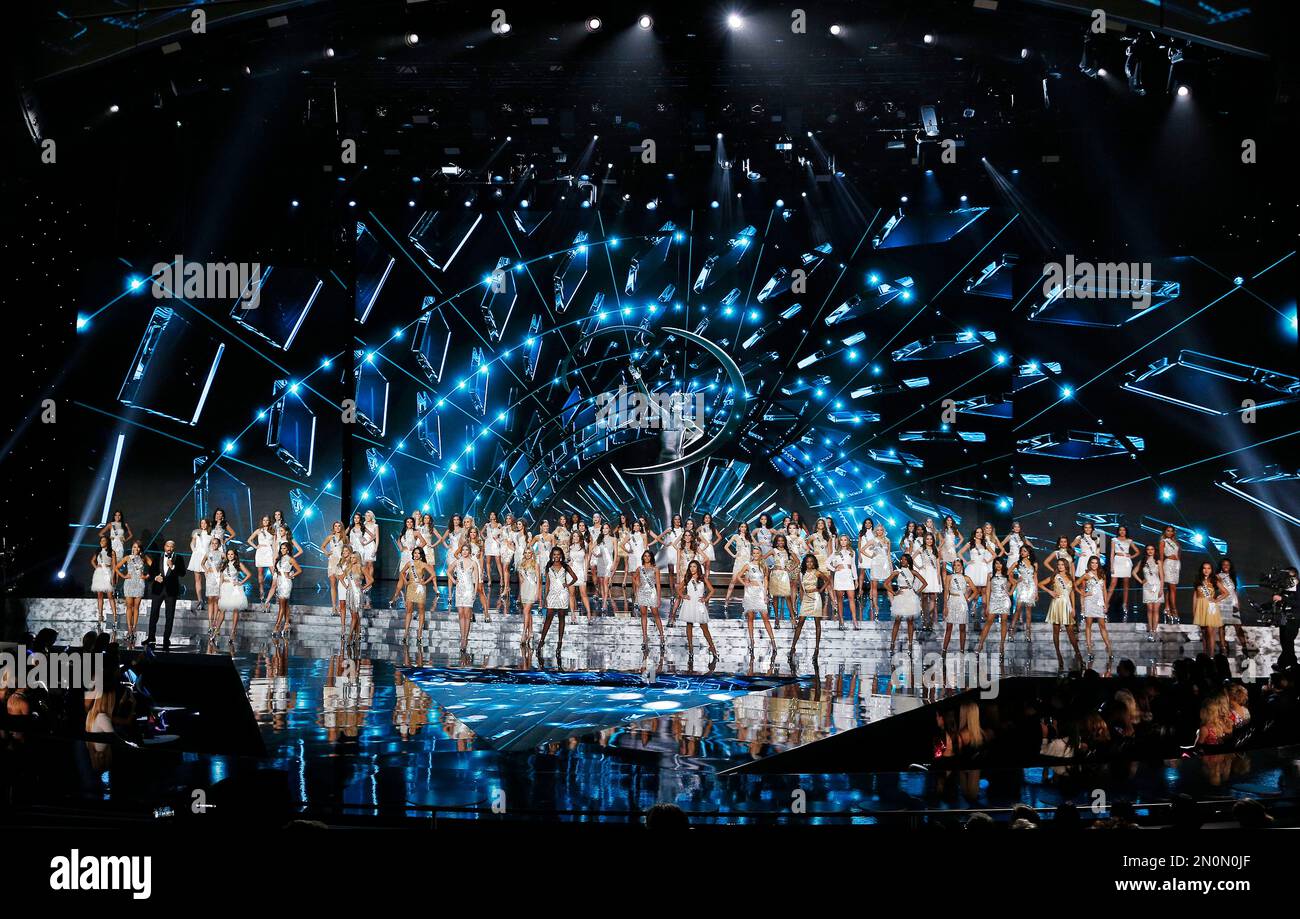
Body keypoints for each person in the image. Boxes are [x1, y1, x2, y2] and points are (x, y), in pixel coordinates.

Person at [538, 547, 579, 653]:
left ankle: (559, 643)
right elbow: (547, 583)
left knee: (561, 618)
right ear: (552, 555)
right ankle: (541, 641)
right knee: (549, 617)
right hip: (552, 594)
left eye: (558, 554)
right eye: (554, 554)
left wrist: (567, 584)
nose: (556, 556)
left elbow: (575, 578)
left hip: (562, 594)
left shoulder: (565, 566)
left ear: (561, 555)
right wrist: (545, 597)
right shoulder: (548, 566)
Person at [1042, 558, 1080, 667]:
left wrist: (1073, 607)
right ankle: (1059, 655)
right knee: (1056, 631)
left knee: (1071, 631)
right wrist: (1050, 592)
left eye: (1062, 565)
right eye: (1058, 564)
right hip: (1057, 604)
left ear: (1066, 566)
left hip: (1067, 606)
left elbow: (1072, 593)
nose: (1060, 566)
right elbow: (1040, 584)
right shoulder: (1055, 576)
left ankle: (1078, 654)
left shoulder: (1070, 578)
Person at [146, 539, 184, 648]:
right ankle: (151, 638)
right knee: (154, 614)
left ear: (174, 548)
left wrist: (172, 566)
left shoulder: (179, 558)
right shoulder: (158, 558)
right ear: (164, 547)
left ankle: (166, 639)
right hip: (158, 589)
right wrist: (155, 577)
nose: (169, 548)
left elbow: (182, 573)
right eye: (167, 546)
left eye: (171, 546)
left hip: (171, 591)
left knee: (169, 615)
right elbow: (151, 571)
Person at [677, 560, 717, 660]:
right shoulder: (687, 578)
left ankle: (712, 648)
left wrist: (705, 599)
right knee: (689, 625)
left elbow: (712, 590)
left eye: (694, 566)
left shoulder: (703, 578)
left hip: (699, 604)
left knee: (704, 627)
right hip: (689, 603)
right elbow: (678, 589)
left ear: (698, 567)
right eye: (690, 566)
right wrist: (683, 595)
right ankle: (690, 648)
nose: (692, 568)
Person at [886, 554, 926, 650]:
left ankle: (910, 644)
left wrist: (917, 592)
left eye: (904, 559)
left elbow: (925, 583)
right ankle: (892, 643)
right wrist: (894, 593)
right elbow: (885, 583)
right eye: (901, 559)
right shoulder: (897, 572)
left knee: (910, 621)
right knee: (897, 620)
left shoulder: (913, 572)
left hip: (910, 595)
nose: (902, 561)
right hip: (900, 596)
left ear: (908, 561)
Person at [114, 541, 150, 643]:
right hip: (129, 583)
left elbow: (154, 567)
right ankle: (129, 628)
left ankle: (134, 627)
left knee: (136, 607)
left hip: (139, 583)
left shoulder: (144, 558)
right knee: (129, 606)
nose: (136, 549)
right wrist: (124, 576)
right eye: (134, 547)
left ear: (140, 549)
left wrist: (147, 576)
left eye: (138, 547)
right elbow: (116, 568)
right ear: (132, 548)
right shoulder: (127, 557)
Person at [1076, 555, 1112, 656]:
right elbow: (1075, 584)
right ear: (1089, 564)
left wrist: (1105, 603)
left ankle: (1108, 647)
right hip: (1089, 602)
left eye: (1096, 563)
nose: (1094, 565)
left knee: (1102, 626)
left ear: (1098, 564)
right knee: (1089, 625)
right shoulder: (1086, 575)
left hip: (1099, 602)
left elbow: (1104, 590)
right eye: (1092, 563)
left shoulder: (1102, 574)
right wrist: (1083, 594)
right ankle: (1089, 649)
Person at [976, 557, 1012, 655]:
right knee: (989, 621)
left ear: (1003, 565)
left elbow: (1012, 585)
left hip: (1004, 600)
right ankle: (980, 644)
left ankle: (1002, 645)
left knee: (1004, 622)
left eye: (1000, 563)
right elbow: (988, 591)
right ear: (994, 565)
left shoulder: (1006, 575)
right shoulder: (990, 575)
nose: (998, 565)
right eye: (996, 563)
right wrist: (987, 605)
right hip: (993, 600)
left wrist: (1010, 592)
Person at [632, 549, 665, 651]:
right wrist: (638, 584)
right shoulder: (639, 568)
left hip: (652, 593)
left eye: (648, 556)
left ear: (651, 557)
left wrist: (659, 598)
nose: (647, 558)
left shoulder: (655, 569)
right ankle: (645, 638)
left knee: (655, 614)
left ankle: (662, 637)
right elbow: (634, 577)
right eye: (645, 556)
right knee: (643, 614)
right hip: (642, 593)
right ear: (643, 558)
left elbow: (658, 584)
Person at [1191, 562, 1225, 656]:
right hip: (1201, 607)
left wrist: (1216, 600)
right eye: (1204, 568)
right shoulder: (1198, 581)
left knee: (1210, 631)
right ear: (1202, 570)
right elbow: (1195, 597)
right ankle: (1205, 654)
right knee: (1204, 632)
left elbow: (1225, 593)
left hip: (1210, 607)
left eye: (1209, 568)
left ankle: (1211, 655)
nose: (1206, 570)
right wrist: (1194, 611)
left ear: (1211, 570)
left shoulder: (1214, 581)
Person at [942, 558, 973, 653]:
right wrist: (945, 606)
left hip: (962, 602)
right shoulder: (949, 577)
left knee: (962, 628)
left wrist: (968, 599)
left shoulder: (966, 578)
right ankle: (944, 650)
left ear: (962, 566)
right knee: (949, 627)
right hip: (951, 600)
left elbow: (975, 590)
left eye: (958, 565)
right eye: (955, 565)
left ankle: (962, 650)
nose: (956, 567)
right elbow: (946, 592)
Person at [829, 535, 859, 628]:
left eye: (845, 540)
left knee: (851, 598)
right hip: (839, 576)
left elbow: (853, 566)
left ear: (848, 541)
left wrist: (856, 579)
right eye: (841, 540)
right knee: (840, 600)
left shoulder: (852, 552)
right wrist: (834, 569)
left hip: (849, 576)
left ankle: (854, 620)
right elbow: (827, 562)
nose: (843, 542)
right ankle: (841, 620)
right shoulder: (836, 552)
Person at [1136, 543, 1164, 641]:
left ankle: (1154, 631)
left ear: (1154, 550)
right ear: (1146, 551)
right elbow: (1134, 572)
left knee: (1156, 610)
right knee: (1150, 609)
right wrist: (1141, 581)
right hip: (1147, 587)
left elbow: (1162, 577)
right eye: (1148, 549)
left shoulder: (1158, 562)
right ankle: (1151, 631)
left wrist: (1161, 589)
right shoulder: (1143, 561)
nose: (1150, 551)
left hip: (1157, 586)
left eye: (1152, 549)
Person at [89, 535, 118, 630]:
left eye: (104, 540)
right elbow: (92, 561)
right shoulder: (98, 551)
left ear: (107, 542)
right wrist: (96, 567)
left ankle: (114, 617)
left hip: (107, 572)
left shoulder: (112, 552)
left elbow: (114, 566)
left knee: (110, 596)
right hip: (99, 573)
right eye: (101, 540)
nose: (102, 542)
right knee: (99, 595)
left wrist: (113, 577)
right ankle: (100, 616)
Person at [1108, 525, 1138, 617]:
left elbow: (1137, 551)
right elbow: (1112, 553)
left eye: (1124, 530)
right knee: (1113, 583)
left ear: (1126, 531)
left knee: (1126, 584)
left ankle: (1124, 604)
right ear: (1118, 531)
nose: (1122, 531)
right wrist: (1111, 566)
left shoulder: (1129, 541)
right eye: (1120, 530)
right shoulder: (1114, 540)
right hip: (1117, 560)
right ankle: (1106, 603)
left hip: (1126, 562)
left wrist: (1131, 556)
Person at [516, 547, 541, 646]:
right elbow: (521, 580)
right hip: (524, 589)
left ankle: (524, 634)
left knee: (525, 611)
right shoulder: (520, 564)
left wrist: (538, 593)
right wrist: (519, 594)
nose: (527, 554)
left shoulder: (535, 564)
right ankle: (531, 632)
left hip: (532, 589)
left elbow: (538, 580)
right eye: (525, 553)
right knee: (528, 612)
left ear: (532, 554)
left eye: (529, 553)